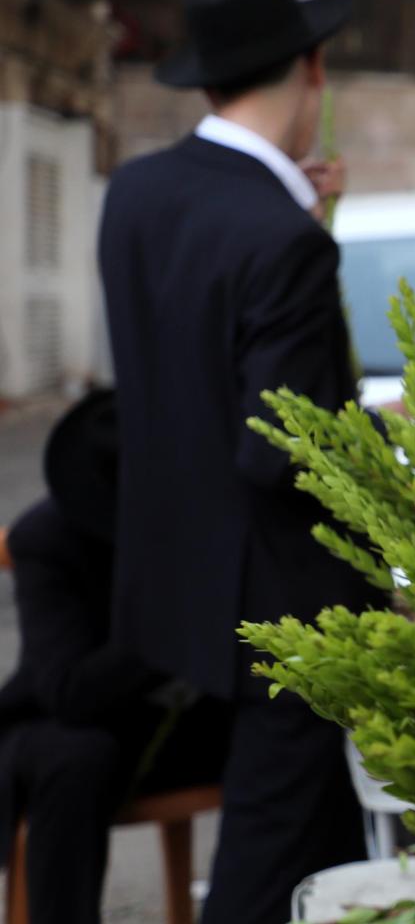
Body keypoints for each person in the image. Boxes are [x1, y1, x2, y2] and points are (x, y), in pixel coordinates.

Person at [97, 0, 373, 923]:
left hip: (171, 590)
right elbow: (277, 448)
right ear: (313, 68)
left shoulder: (135, 196)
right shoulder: (283, 241)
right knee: (267, 880)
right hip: (283, 613)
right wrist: (383, 432)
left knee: (324, 863)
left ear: (206, 82)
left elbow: (194, 356)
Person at [0, 392, 227, 924]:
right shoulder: (48, 539)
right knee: (75, 757)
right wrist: (178, 625)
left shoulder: (200, 518)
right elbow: (67, 690)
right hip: (66, 720)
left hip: (187, 721)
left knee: (290, 730)